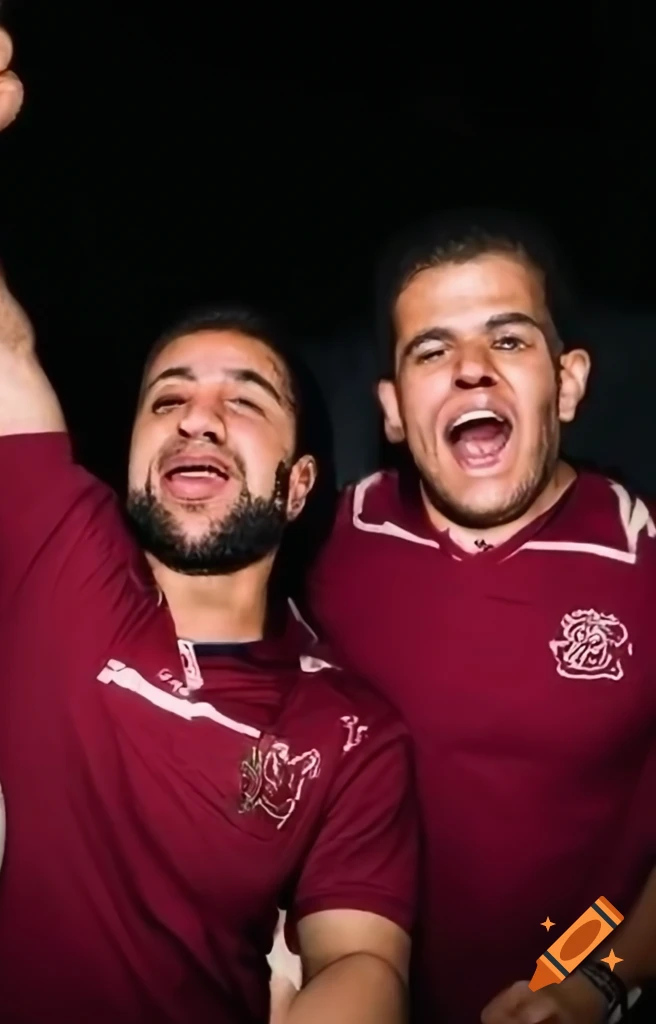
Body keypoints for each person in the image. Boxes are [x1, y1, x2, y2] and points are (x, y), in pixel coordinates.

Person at [0, 3, 418, 1021]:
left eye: (243, 401)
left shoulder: (345, 728)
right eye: (167, 398)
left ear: (297, 486)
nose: (195, 418)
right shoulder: (51, 550)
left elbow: (360, 962)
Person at [306, 211, 656, 1024]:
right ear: (392, 409)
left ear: (566, 382)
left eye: (508, 340)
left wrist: (599, 981)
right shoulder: (325, 546)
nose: (470, 371)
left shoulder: (645, 565)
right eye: (432, 349)